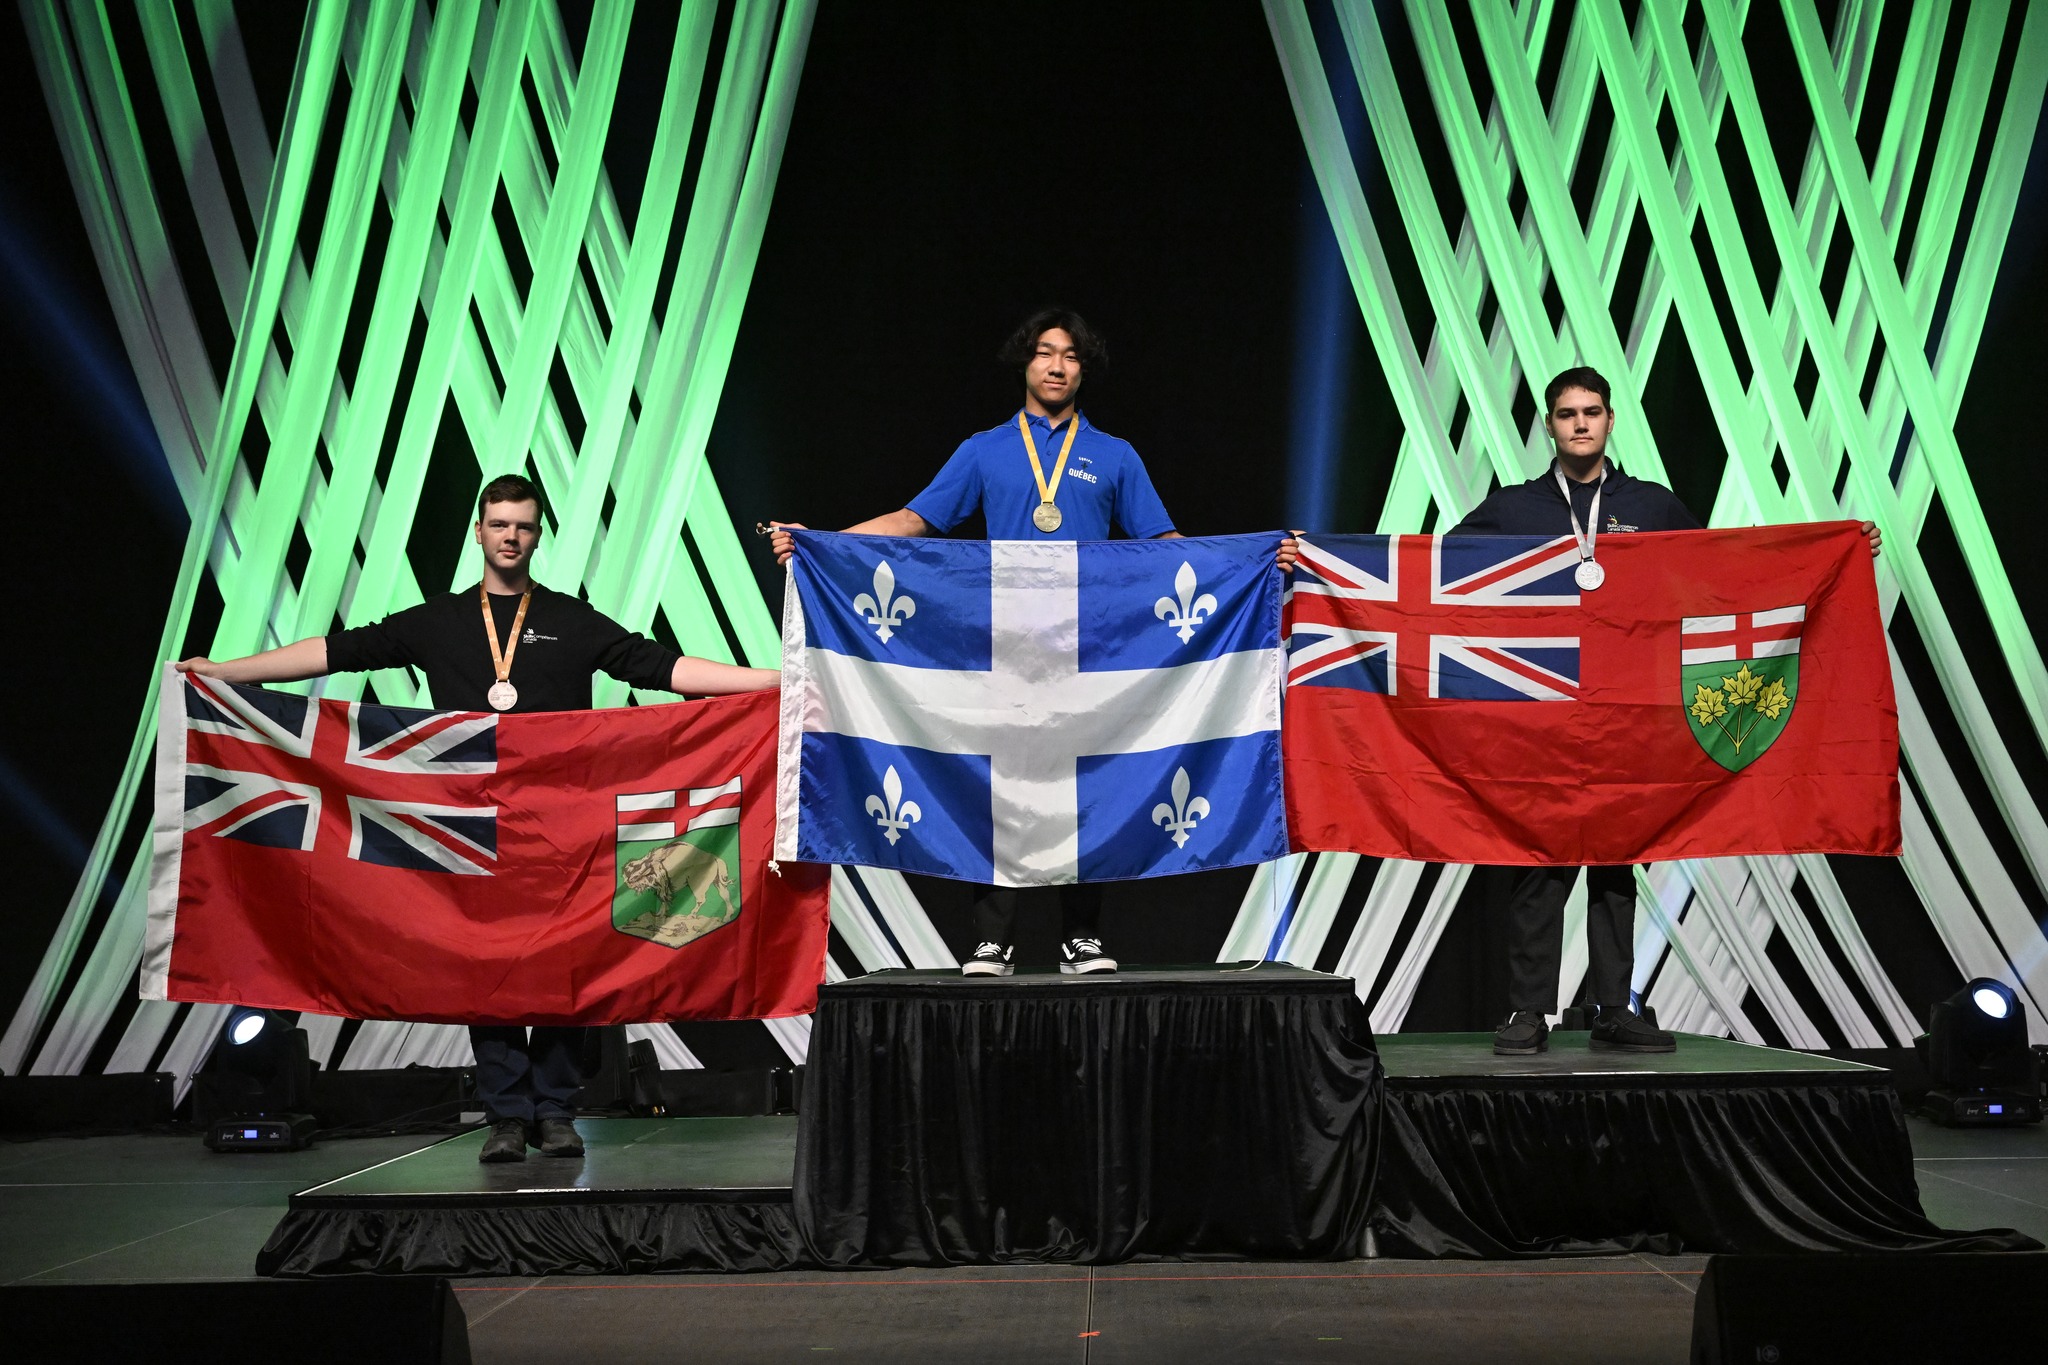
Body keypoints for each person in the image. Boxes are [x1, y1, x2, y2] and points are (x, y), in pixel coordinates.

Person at [177, 474, 778, 1161]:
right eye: (500, 525)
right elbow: (340, 650)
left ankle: (554, 1112)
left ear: (538, 534)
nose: (511, 536)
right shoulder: (441, 621)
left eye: (523, 525)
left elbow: (660, 666)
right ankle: (504, 1114)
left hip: (561, 829)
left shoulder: (571, 619)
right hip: (466, 826)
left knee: (561, 967)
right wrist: (228, 673)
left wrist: (768, 681)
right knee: (482, 969)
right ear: (478, 531)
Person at [770, 306, 1296, 978]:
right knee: (1006, 782)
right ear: (1024, 361)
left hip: (1092, 648)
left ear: (1085, 368)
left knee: (1088, 780)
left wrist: (1251, 559)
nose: (1056, 365)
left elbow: (1167, 549)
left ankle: (1083, 935)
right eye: (1045, 352)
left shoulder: (1114, 455)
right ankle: (994, 937)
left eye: (1070, 355)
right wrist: (819, 542)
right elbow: (912, 519)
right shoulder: (985, 449)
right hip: (1005, 644)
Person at [1451, 366, 1881, 1057]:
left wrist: (1838, 553)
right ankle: (1527, 1011)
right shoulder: (1516, 508)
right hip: (1548, 711)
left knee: (1618, 862)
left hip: (1630, 712)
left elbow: (1726, 572)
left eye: (1592, 411)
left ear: (1611, 420)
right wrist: (1321, 565)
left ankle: (1614, 1008)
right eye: (1567, 413)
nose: (1581, 423)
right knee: (1542, 862)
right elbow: (1434, 567)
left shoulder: (1652, 504)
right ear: (1550, 425)